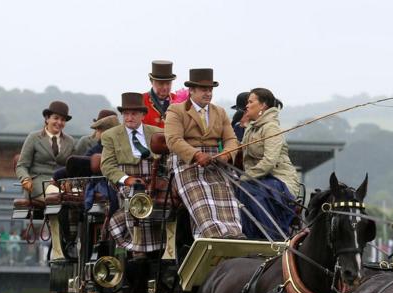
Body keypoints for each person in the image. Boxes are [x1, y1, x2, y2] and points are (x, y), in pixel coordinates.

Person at [164, 68, 243, 238]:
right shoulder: (176, 110)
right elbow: (173, 140)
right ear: (191, 90)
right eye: (203, 90)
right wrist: (196, 155)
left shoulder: (220, 112)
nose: (208, 93)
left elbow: (231, 140)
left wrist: (226, 155)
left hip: (215, 163)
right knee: (201, 194)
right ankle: (214, 235)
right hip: (186, 163)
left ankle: (234, 234)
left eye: (210, 90)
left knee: (226, 193)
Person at [101, 92, 165, 254]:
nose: (129, 117)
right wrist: (126, 179)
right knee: (136, 196)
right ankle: (138, 248)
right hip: (126, 180)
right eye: (126, 113)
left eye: (134, 113)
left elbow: (167, 160)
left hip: (154, 177)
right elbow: (107, 166)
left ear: (143, 115)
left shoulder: (157, 132)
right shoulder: (110, 135)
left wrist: (161, 179)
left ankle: (168, 245)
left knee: (171, 199)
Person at [237, 88, 299, 239]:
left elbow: (269, 162)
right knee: (240, 191)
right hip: (258, 179)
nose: (247, 106)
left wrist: (244, 178)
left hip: (280, 180)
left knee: (250, 190)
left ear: (263, 106)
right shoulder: (250, 129)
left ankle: (272, 237)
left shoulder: (271, 128)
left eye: (251, 102)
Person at [15, 101, 76, 203]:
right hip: (38, 185)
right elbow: (21, 166)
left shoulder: (70, 141)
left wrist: (70, 182)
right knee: (61, 198)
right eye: (56, 118)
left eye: (63, 120)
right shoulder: (33, 138)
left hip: (62, 184)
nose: (59, 122)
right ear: (47, 118)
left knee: (79, 196)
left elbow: (73, 168)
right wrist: (25, 179)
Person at [143, 60, 176, 128]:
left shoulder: (178, 100)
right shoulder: (141, 100)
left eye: (168, 83)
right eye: (160, 83)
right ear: (151, 82)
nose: (165, 87)